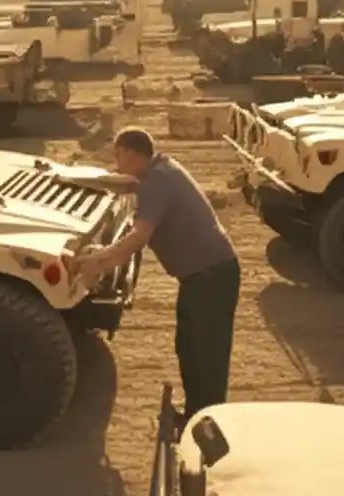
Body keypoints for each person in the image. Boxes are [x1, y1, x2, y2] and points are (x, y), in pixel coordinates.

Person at [64, 127, 240, 427]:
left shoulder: (158, 181)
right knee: (188, 346)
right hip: (202, 276)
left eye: (119, 156)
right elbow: (120, 181)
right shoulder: (160, 168)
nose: (117, 163)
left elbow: (138, 237)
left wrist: (97, 259)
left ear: (132, 153)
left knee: (205, 354)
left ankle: (206, 424)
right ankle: (195, 414)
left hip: (211, 275)